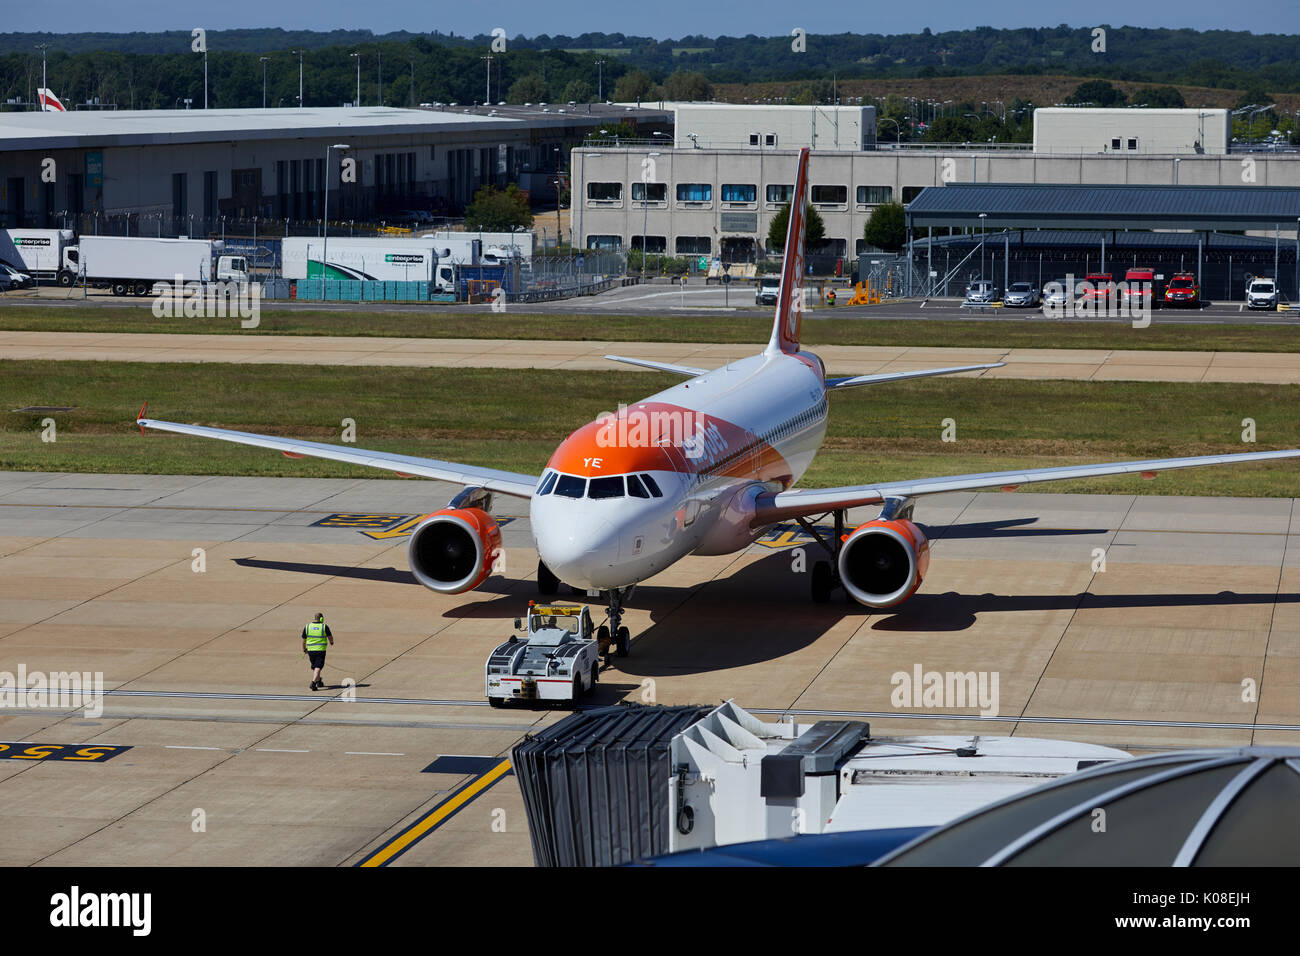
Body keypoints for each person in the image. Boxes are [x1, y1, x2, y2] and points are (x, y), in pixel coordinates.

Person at [302, 612, 334, 691]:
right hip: (320, 650)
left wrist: (304, 649)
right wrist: (331, 642)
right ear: (321, 619)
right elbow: (330, 636)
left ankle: (319, 681)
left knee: (315, 666)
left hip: (310, 650)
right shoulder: (324, 627)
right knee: (318, 667)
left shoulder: (308, 626)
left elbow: (303, 640)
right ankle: (313, 683)